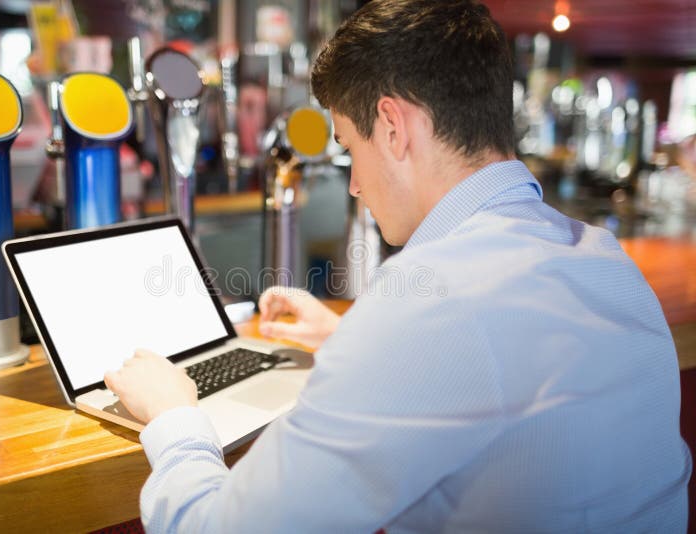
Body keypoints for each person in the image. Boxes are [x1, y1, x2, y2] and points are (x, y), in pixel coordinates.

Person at [104, 0, 692, 531]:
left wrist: (172, 415)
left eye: (350, 148)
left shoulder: (431, 306)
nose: (355, 184)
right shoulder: (601, 257)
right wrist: (351, 338)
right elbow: (493, 370)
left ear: (392, 126)